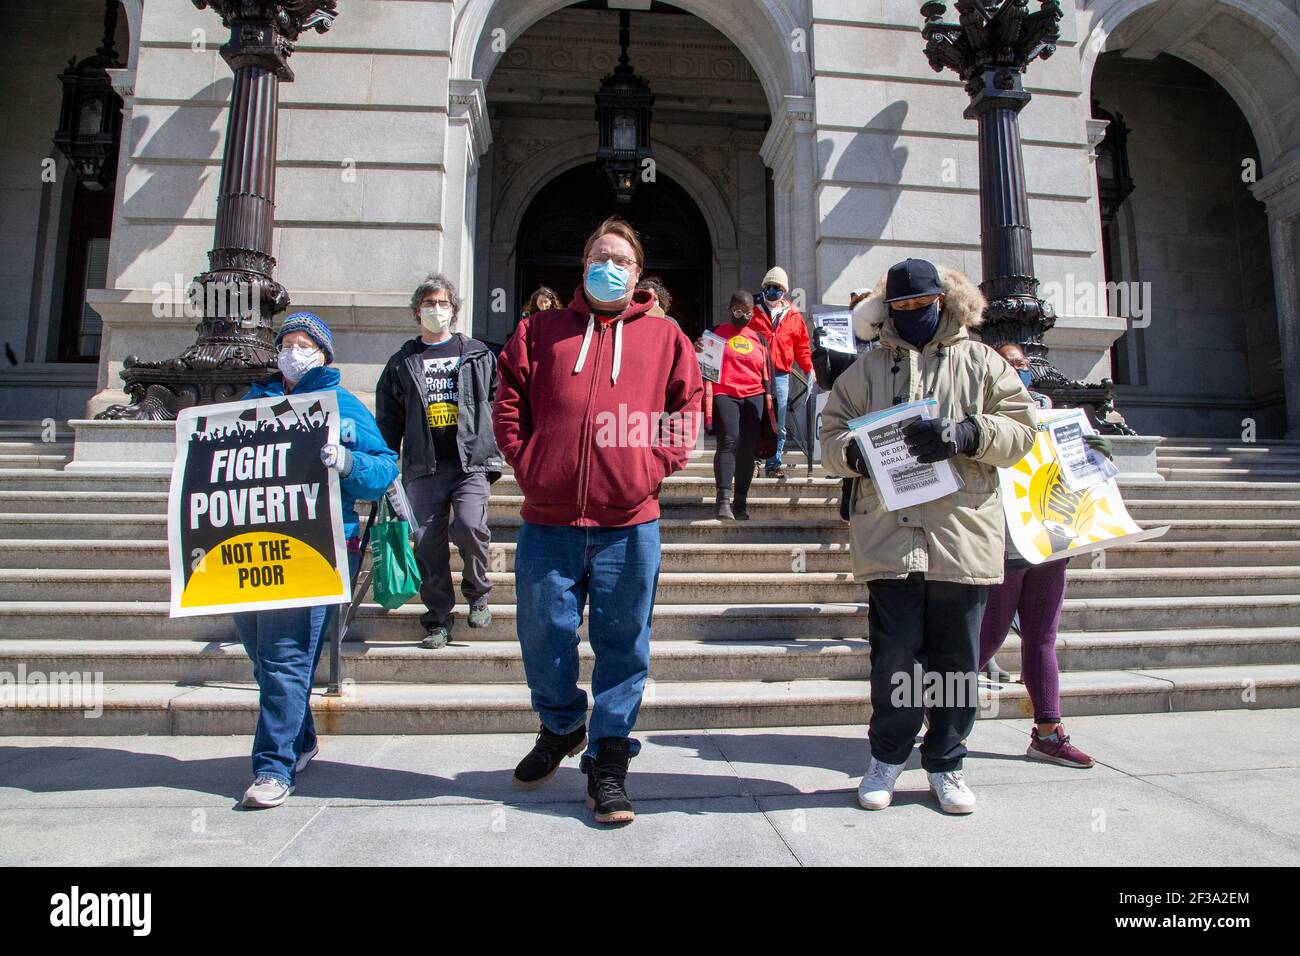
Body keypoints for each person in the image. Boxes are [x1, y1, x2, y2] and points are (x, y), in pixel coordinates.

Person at [494, 216, 703, 825]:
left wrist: (652, 464)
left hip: (629, 521)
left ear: (637, 274)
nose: (608, 264)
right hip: (549, 519)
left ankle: (609, 759)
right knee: (542, 635)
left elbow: (688, 406)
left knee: (623, 643)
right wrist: (527, 459)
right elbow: (508, 398)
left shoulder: (666, 338)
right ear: (582, 264)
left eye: (620, 258)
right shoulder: (539, 330)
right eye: (597, 254)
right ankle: (562, 724)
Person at [819, 258, 1035, 815]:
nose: (913, 315)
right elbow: (830, 435)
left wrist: (968, 432)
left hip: (959, 533)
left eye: (923, 305)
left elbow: (1022, 432)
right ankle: (887, 756)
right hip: (889, 537)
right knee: (894, 659)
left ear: (943, 301)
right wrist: (856, 453)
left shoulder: (984, 363)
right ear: (886, 310)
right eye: (901, 308)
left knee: (956, 661)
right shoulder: (862, 371)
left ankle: (946, 762)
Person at [235, 313, 399, 809]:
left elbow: (382, 470)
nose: (292, 351)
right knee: (262, 655)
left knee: (286, 653)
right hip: (252, 548)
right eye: (285, 343)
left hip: (317, 548)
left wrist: (347, 463)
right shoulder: (251, 403)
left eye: (304, 344)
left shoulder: (344, 407)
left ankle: (273, 766)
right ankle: (300, 738)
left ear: (324, 356)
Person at [976, 342, 1111, 769]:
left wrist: (1097, 458)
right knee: (983, 642)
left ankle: (1049, 733)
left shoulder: (1053, 412)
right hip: (1005, 546)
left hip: (1052, 542)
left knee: (1042, 639)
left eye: (1022, 364)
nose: (1018, 370)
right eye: (1009, 365)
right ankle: (929, 717)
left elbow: (1078, 470)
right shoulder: (983, 411)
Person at [375, 274, 503, 650]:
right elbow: (389, 419)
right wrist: (385, 464)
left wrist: (499, 439)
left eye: (443, 303)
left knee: (468, 526)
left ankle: (478, 593)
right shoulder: (402, 362)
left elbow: (499, 401)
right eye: (429, 303)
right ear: (418, 311)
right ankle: (437, 620)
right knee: (427, 543)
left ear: (454, 310)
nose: (436, 309)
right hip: (423, 466)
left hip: (471, 462)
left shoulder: (479, 354)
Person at [704, 291, 772, 520]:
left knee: (748, 450)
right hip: (725, 393)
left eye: (747, 312)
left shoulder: (759, 338)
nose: (742, 315)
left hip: (754, 395)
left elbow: (766, 372)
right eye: (738, 311)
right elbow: (704, 370)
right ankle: (722, 500)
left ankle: (741, 502)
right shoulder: (715, 333)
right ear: (729, 309)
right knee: (729, 441)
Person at [749, 267, 812, 479]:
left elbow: (802, 346)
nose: (771, 291)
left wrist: (809, 369)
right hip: (757, 373)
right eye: (768, 287)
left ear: (784, 291)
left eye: (776, 288)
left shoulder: (794, 315)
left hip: (782, 375)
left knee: (779, 421)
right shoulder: (753, 312)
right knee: (756, 418)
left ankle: (774, 463)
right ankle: (754, 460)